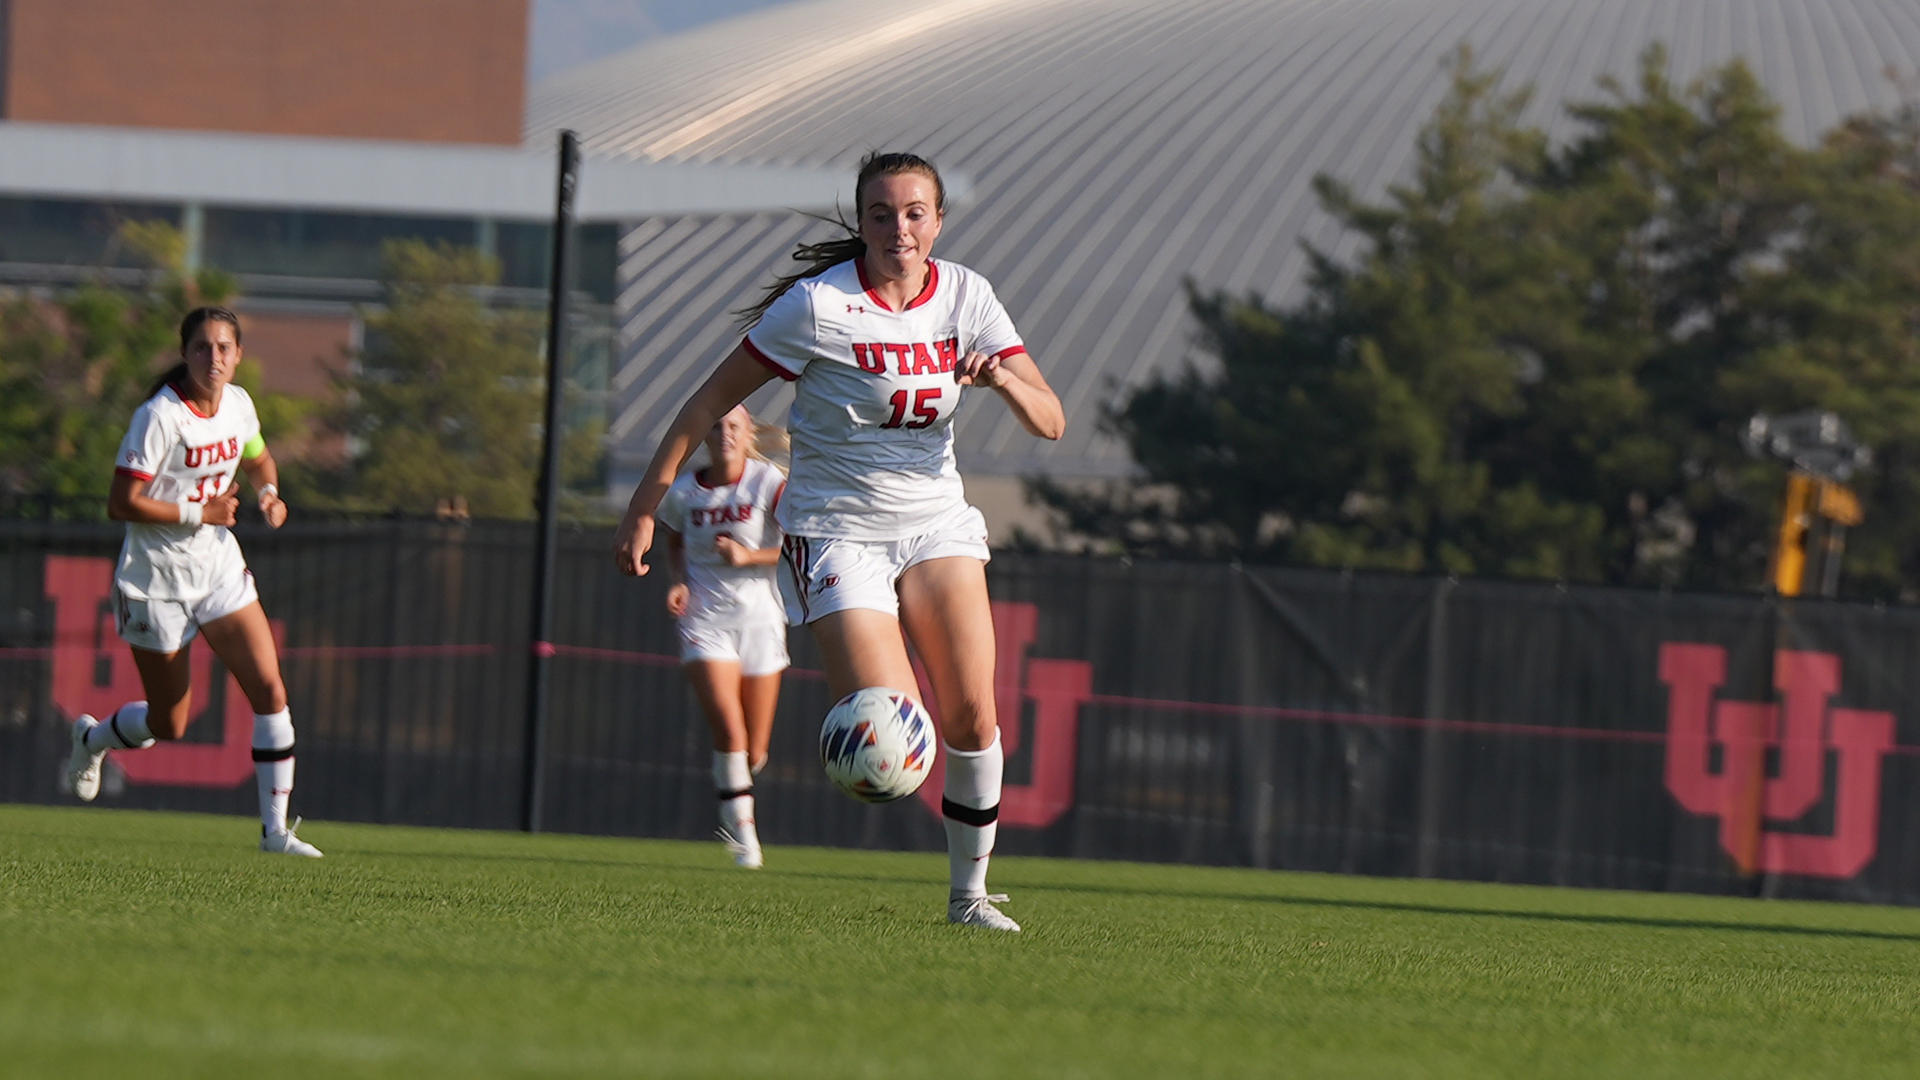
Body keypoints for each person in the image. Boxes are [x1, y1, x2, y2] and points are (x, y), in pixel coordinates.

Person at [615, 151, 1065, 931]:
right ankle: (808, 800)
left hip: (935, 523)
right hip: (836, 532)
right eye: (883, 214)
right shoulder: (815, 306)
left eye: (915, 212)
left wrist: (1004, 382)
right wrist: (645, 507)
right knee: (888, 723)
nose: (900, 228)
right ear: (861, 223)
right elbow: (704, 403)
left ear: (939, 221)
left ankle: (969, 900)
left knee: (971, 718)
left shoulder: (967, 294)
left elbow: (1052, 419)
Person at [66, 305, 321, 858]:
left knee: (271, 691)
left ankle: (275, 834)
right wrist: (196, 513)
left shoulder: (238, 404)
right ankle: (91, 739)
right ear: (185, 354)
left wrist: (268, 494)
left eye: (224, 348)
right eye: (202, 347)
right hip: (155, 583)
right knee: (169, 722)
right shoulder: (160, 416)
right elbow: (120, 503)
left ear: (239, 356)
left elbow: (258, 459)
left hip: (217, 569)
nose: (214, 357)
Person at [655, 404, 789, 869]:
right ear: (705, 435)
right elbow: (672, 537)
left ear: (749, 432)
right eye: (717, 426)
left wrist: (747, 558)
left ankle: (733, 792)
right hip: (706, 620)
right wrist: (677, 580)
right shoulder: (686, 490)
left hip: (761, 619)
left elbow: (799, 541)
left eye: (734, 425)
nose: (725, 433)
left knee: (753, 750)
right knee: (728, 730)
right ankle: (744, 838)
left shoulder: (766, 483)